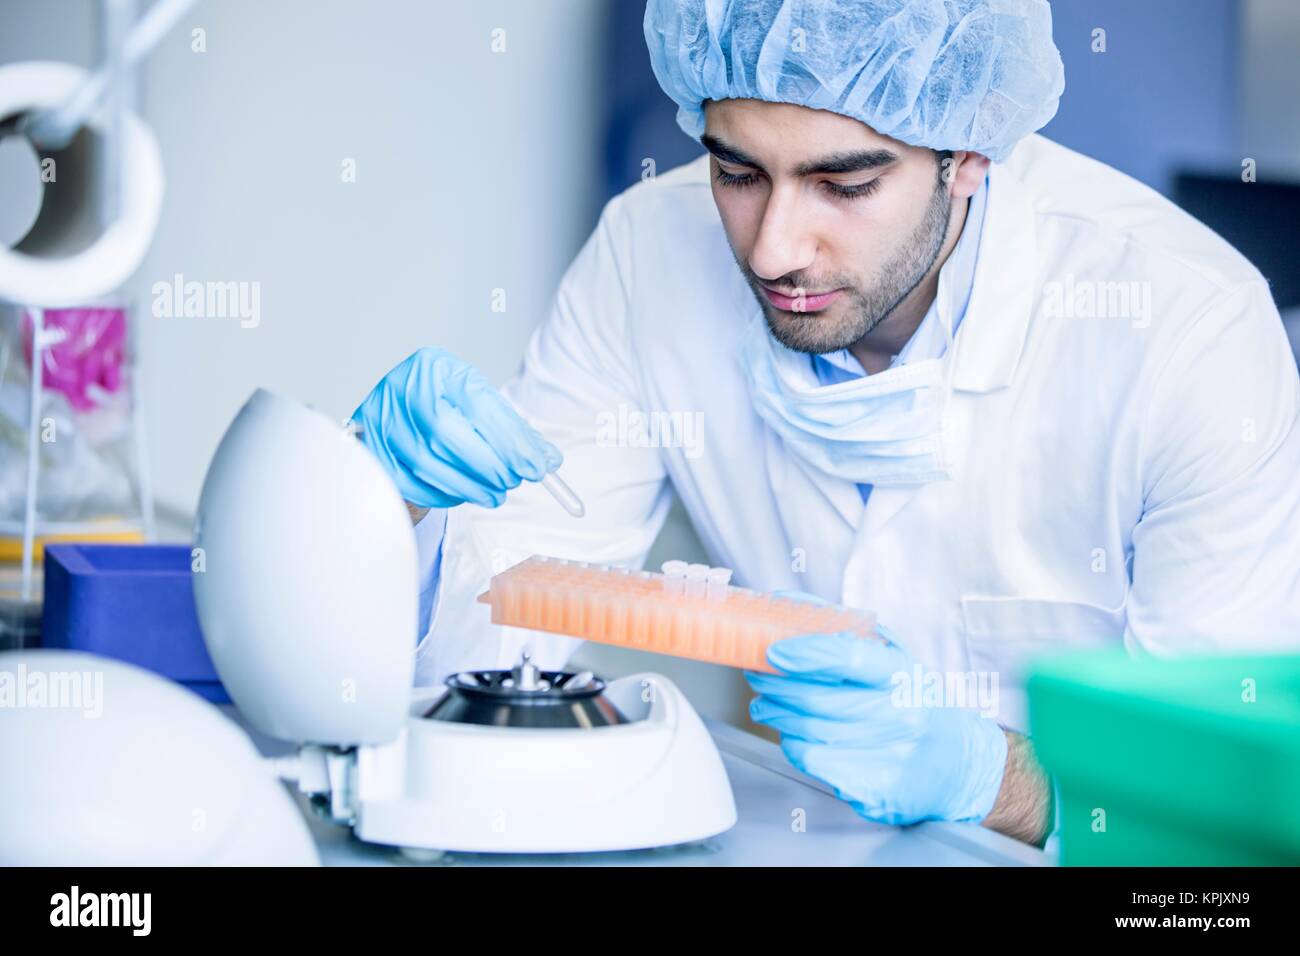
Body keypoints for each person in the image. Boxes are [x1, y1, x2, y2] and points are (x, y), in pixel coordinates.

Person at [351, 0, 1300, 847]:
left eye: (844, 185)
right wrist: (398, 512)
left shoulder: (1186, 331)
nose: (772, 249)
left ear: (966, 155)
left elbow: (1220, 821)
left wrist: (987, 774)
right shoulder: (647, 251)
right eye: (736, 171)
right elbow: (481, 660)